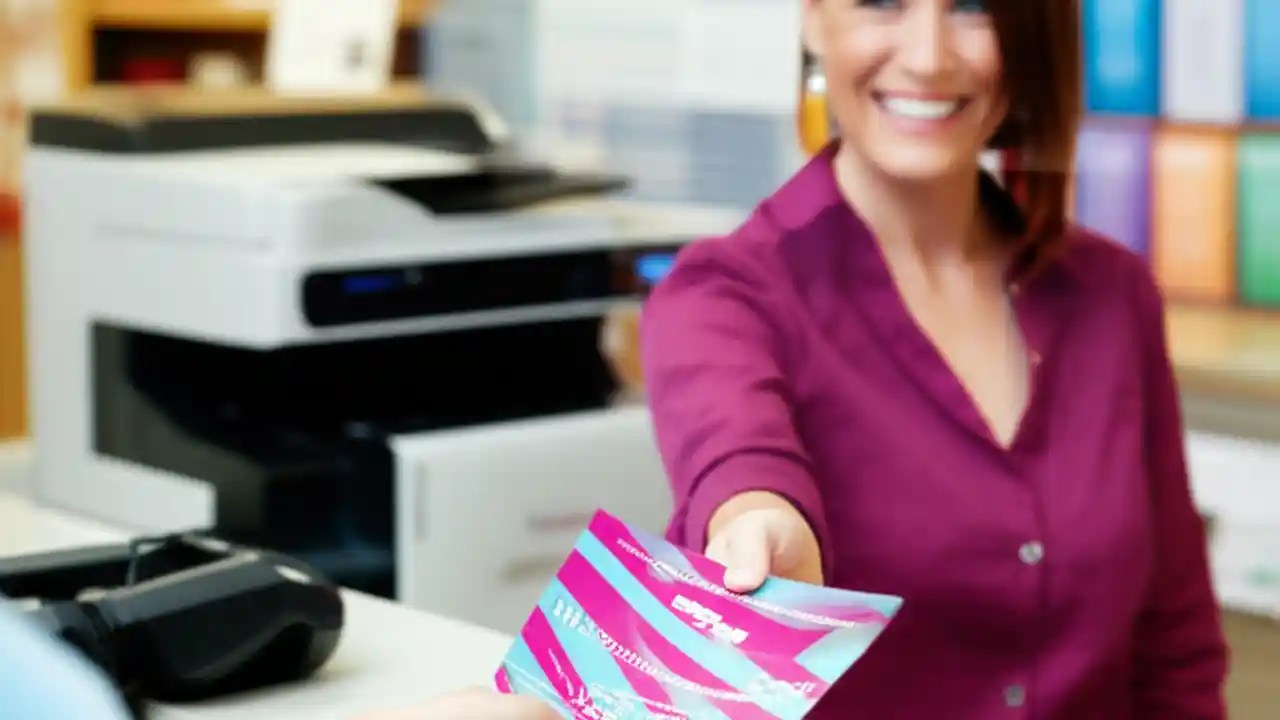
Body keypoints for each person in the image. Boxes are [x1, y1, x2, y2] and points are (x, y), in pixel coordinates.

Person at [400, 0, 1228, 717]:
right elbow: (738, 463)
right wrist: (760, 530)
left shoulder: (1113, 297)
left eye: (974, 6)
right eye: (881, 2)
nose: (929, 54)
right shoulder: (723, 295)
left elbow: (1175, 642)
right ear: (810, 15)